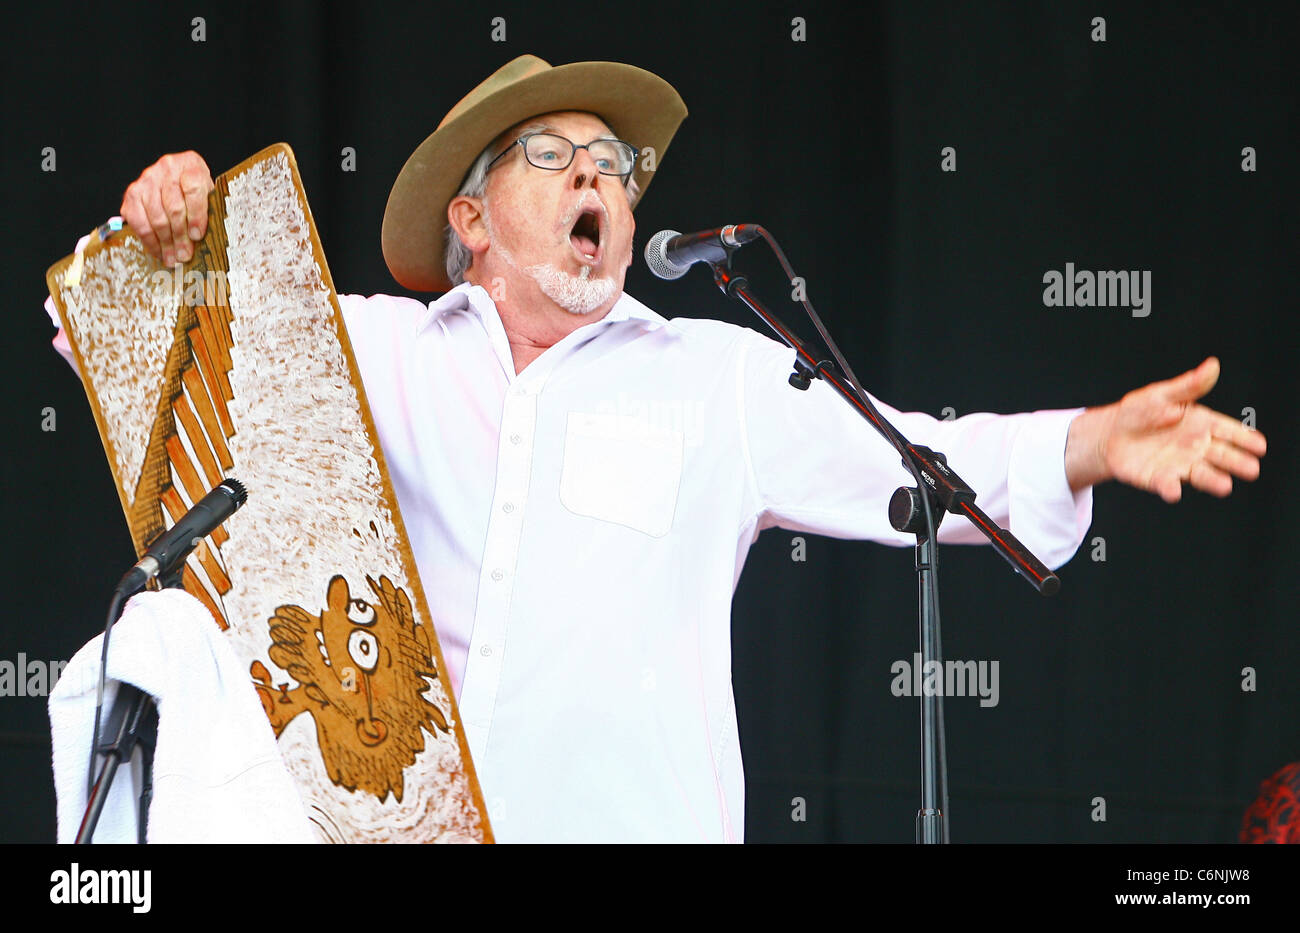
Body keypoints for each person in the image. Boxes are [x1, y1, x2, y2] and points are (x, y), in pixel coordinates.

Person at [46, 55, 1267, 842]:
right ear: (469, 220)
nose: (598, 176)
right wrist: (153, 222)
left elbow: (918, 465)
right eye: (551, 156)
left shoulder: (716, 378)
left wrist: (1088, 443)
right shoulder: (378, 353)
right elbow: (126, 336)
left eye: (615, 168)